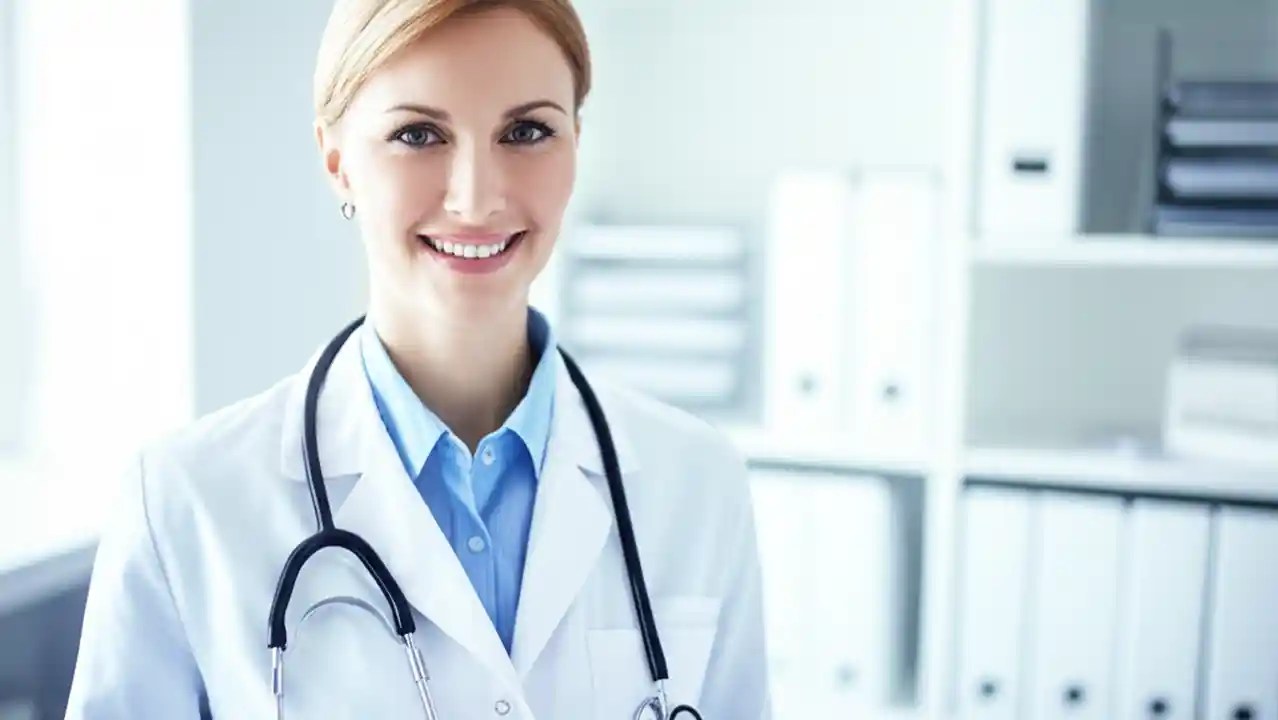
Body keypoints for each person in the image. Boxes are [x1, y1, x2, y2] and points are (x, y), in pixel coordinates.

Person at [64, 0, 771, 718]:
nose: (476, 197)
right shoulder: (186, 502)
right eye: (418, 134)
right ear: (338, 164)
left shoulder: (699, 482)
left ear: (575, 146)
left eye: (526, 132)